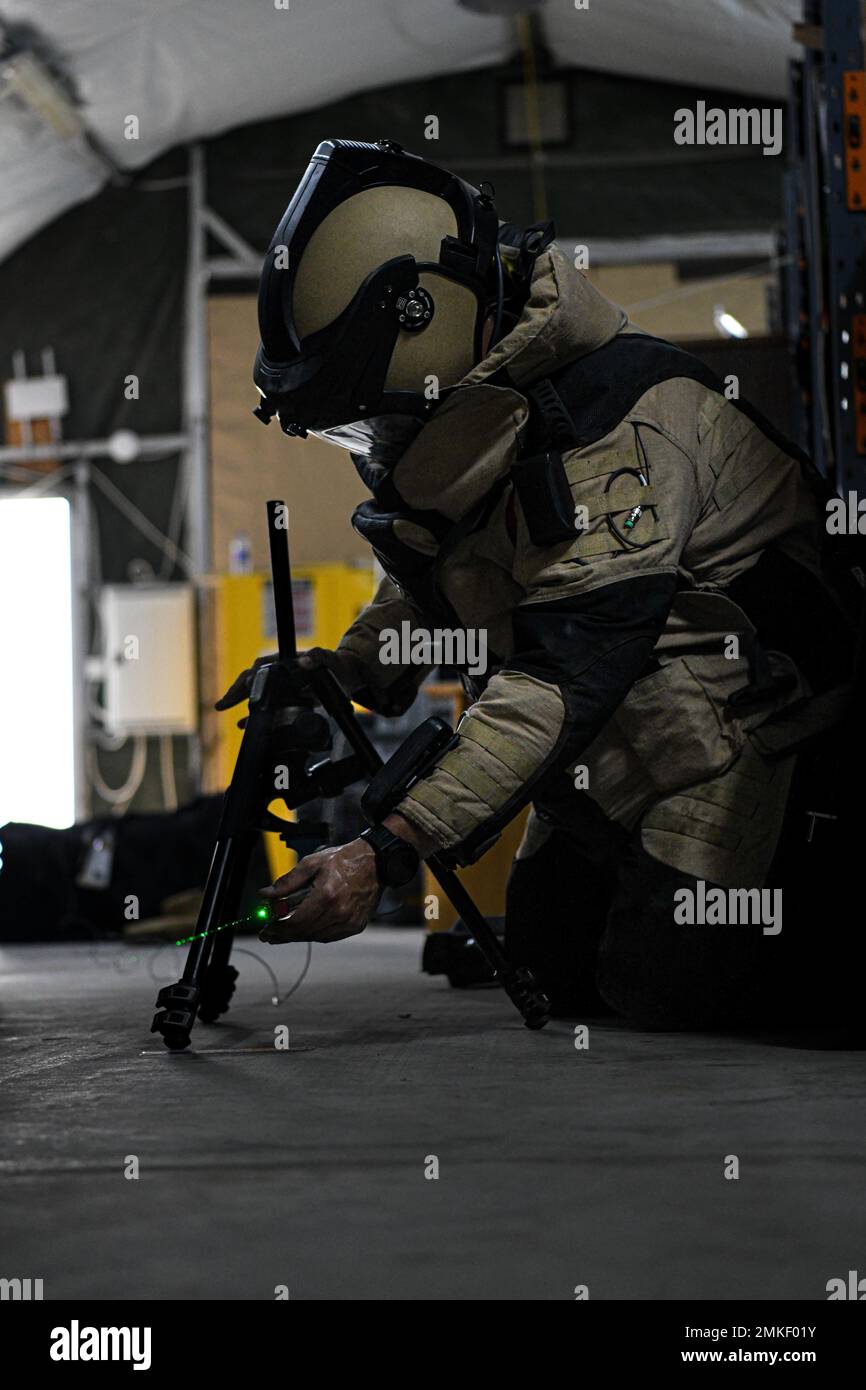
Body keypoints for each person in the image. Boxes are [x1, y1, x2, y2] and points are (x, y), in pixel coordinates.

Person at [217, 138, 860, 1029]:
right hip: (614, 745)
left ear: (427, 322)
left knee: (662, 994)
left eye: (365, 412)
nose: (371, 439)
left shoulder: (618, 427)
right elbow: (443, 579)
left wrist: (385, 850)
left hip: (738, 742)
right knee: (552, 974)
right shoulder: (491, 408)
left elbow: (558, 679)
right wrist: (345, 670)